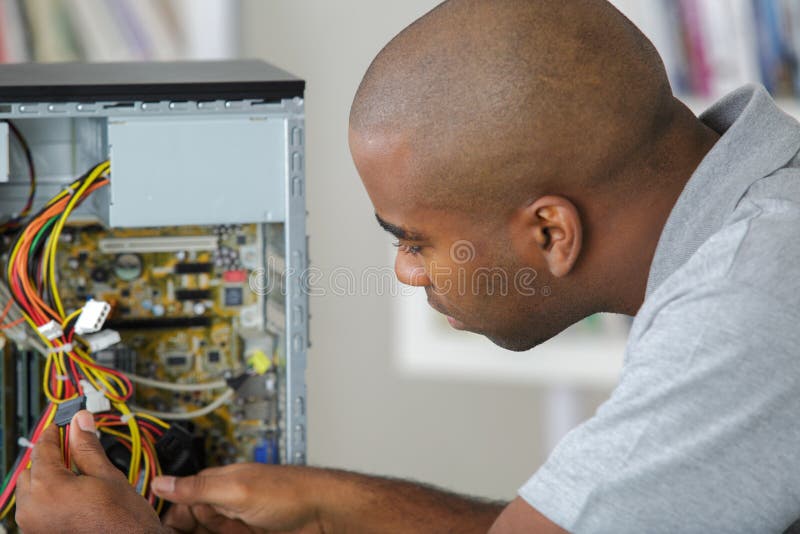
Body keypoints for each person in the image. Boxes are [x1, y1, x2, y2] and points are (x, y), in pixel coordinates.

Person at [14, 0, 800, 532]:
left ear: (551, 233)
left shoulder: (745, 309)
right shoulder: (761, 229)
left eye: (414, 239)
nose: (406, 274)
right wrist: (335, 506)